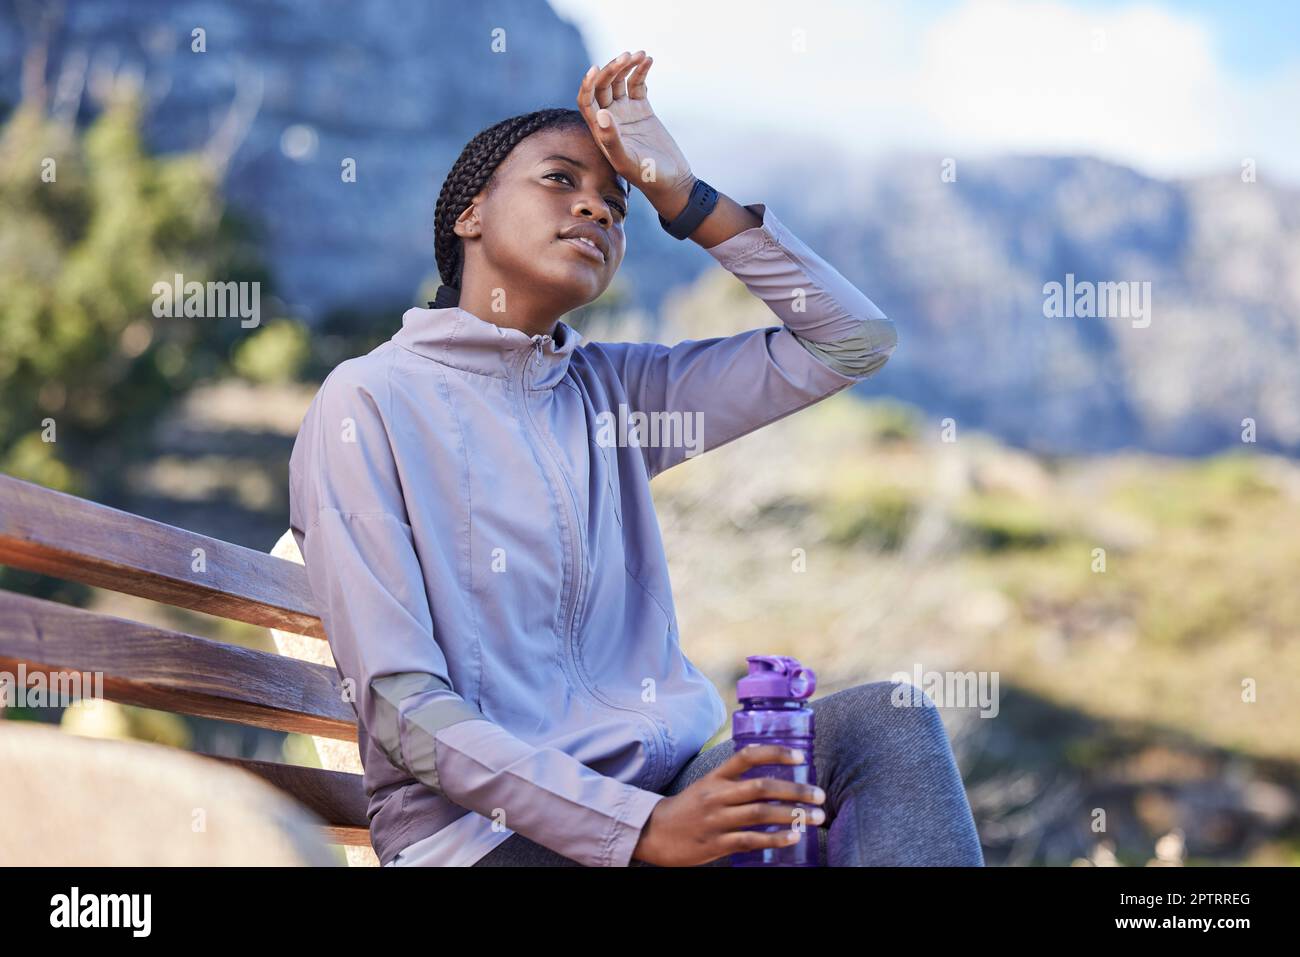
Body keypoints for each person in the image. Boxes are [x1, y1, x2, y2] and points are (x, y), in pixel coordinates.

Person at [289, 50, 981, 867]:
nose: (596, 208)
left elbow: (850, 340)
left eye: (615, 205)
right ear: (470, 215)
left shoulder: (614, 394)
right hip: (495, 839)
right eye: (559, 180)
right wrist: (637, 828)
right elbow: (402, 708)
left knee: (886, 724)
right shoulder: (368, 401)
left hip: (671, 795)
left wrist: (680, 195)